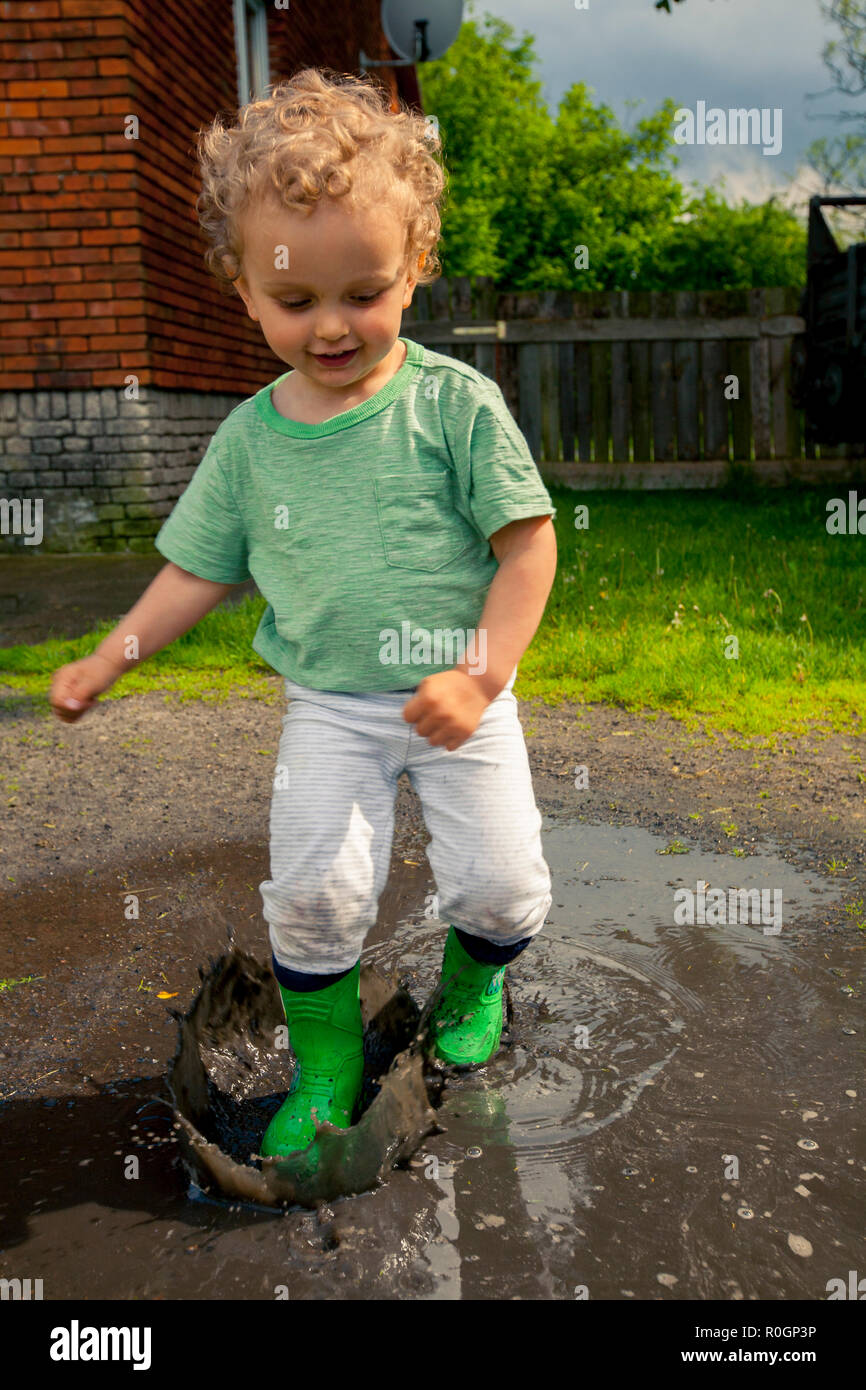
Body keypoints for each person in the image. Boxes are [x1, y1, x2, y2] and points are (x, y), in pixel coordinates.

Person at [50, 68, 557, 1159]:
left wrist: (479, 673)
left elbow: (527, 545)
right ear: (241, 286)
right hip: (330, 706)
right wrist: (108, 656)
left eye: (362, 292)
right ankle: (326, 1064)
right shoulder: (246, 441)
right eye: (295, 301)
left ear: (414, 269)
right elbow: (196, 570)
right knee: (316, 895)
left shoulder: (452, 407)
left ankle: (472, 989)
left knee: (503, 885)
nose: (331, 326)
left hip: (462, 694)